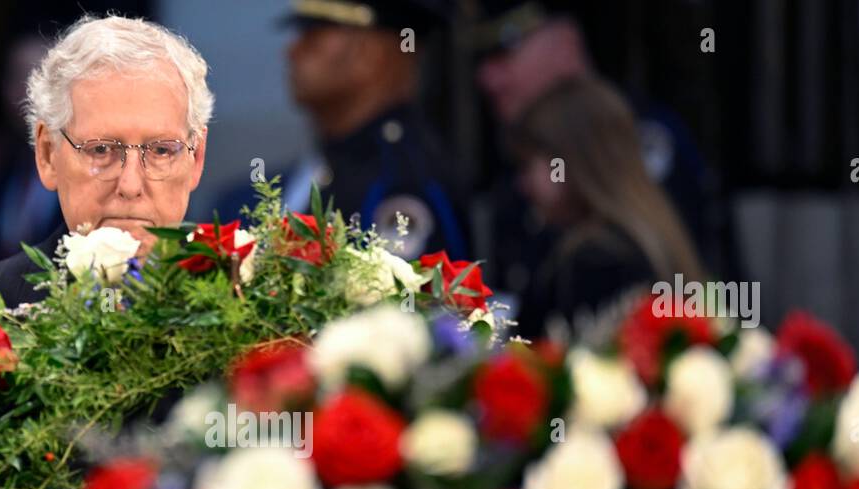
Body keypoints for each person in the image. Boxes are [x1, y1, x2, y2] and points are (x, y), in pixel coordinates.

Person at [0, 14, 213, 363]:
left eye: (161, 150)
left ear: (196, 159)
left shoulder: (260, 312)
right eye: (101, 150)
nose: (130, 185)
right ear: (47, 155)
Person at [470, 0, 731, 306]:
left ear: (565, 43)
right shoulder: (511, 171)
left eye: (504, 54)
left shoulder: (640, 138)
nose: (487, 78)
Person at [215, 0, 470, 260]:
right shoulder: (327, 165)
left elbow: (405, 299)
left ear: (370, 55)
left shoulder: (404, 181)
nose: (290, 51)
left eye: (313, 35)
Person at [505, 77, 706, 339]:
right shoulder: (658, 237)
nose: (521, 185)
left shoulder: (590, 260)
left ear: (566, 163)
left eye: (527, 165)